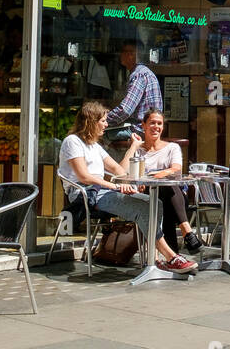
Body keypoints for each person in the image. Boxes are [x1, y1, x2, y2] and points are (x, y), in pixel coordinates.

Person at [60, 101, 196, 273]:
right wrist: (114, 186)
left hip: (103, 191)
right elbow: (84, 177)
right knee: (142, 207)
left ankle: (154, 258)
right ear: (91, 121)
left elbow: (118, 169)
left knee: (155, 203)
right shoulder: (73, 141)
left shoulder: (95, 146)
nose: (106, 125)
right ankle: (170, 257)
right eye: (103, 121)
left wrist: (126, 183)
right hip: (85, 194)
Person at [134, 109, 203, 256]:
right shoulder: (137, 150)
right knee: (165, 194)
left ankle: (173, 255)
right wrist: (134, 146)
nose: (156, 126)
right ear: (143, 125)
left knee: (166, 188)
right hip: (147, 195)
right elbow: (130, 173)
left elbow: (176, 169)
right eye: (152, 123)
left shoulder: (172, 148)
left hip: (173, 195)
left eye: (159, 123)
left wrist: (156, 177)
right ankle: (187, 235)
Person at [106, 40, 164, 133]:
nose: (120, 55)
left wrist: (104, 120)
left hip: (139, 129)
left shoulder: (139, 75)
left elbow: (125, 110)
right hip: (146, 127)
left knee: (99, 133)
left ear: (131, 55)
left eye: (123, 51)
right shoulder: (141, 72)